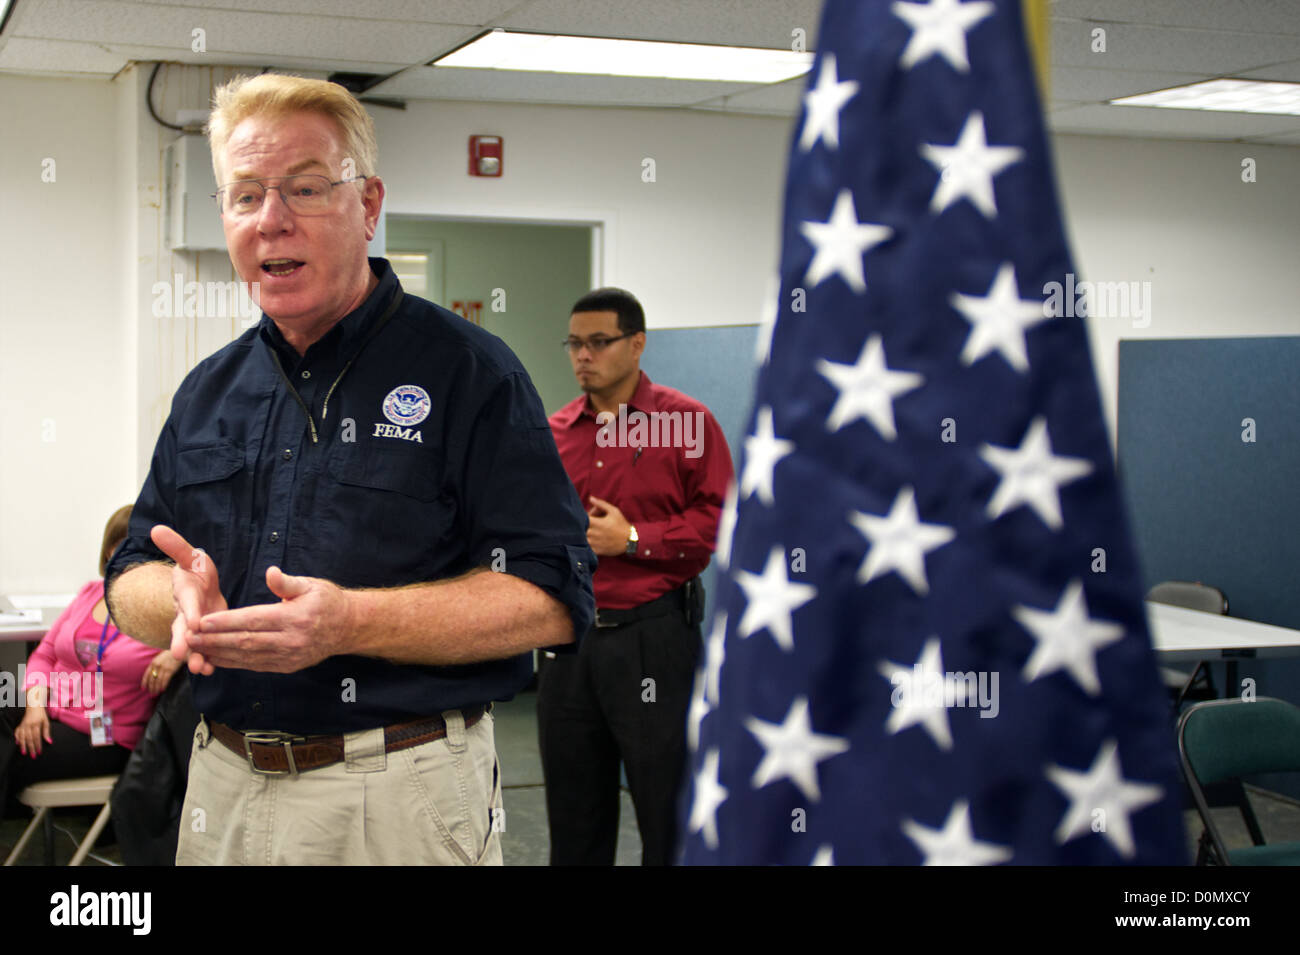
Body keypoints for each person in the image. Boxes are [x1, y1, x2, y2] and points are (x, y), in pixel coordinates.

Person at [104, 73, 595, 866]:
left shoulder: (472, 374)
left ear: (368, 207)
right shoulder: (207, 391)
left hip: (397, 794)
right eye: (245, 195)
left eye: (304, 188)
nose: (271, 220)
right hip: (223, 784)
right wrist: (178, 602)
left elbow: (550, 596)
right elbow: (128, 573)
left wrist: (349, 625)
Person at [540, 287, 733, 865]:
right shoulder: (554, 433)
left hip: (654, 641)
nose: (583, 356)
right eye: (575, 343)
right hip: (569, 646)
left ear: (637, 344)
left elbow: (720, 522)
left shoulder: (683, 423)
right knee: (574, 818)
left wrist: (631, 539)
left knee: (665, 808)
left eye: (598, 342)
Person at [1, 506, 181, 821]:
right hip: (49, 712)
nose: (127, 553)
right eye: (119, 543)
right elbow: (44, 655)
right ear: (109, 550)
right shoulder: (91, 593)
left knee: (9, 756)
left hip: (102, 738)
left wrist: (178, 653)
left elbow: (210, 634)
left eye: (141, 546)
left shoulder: (168, 612)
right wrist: (34, 708)